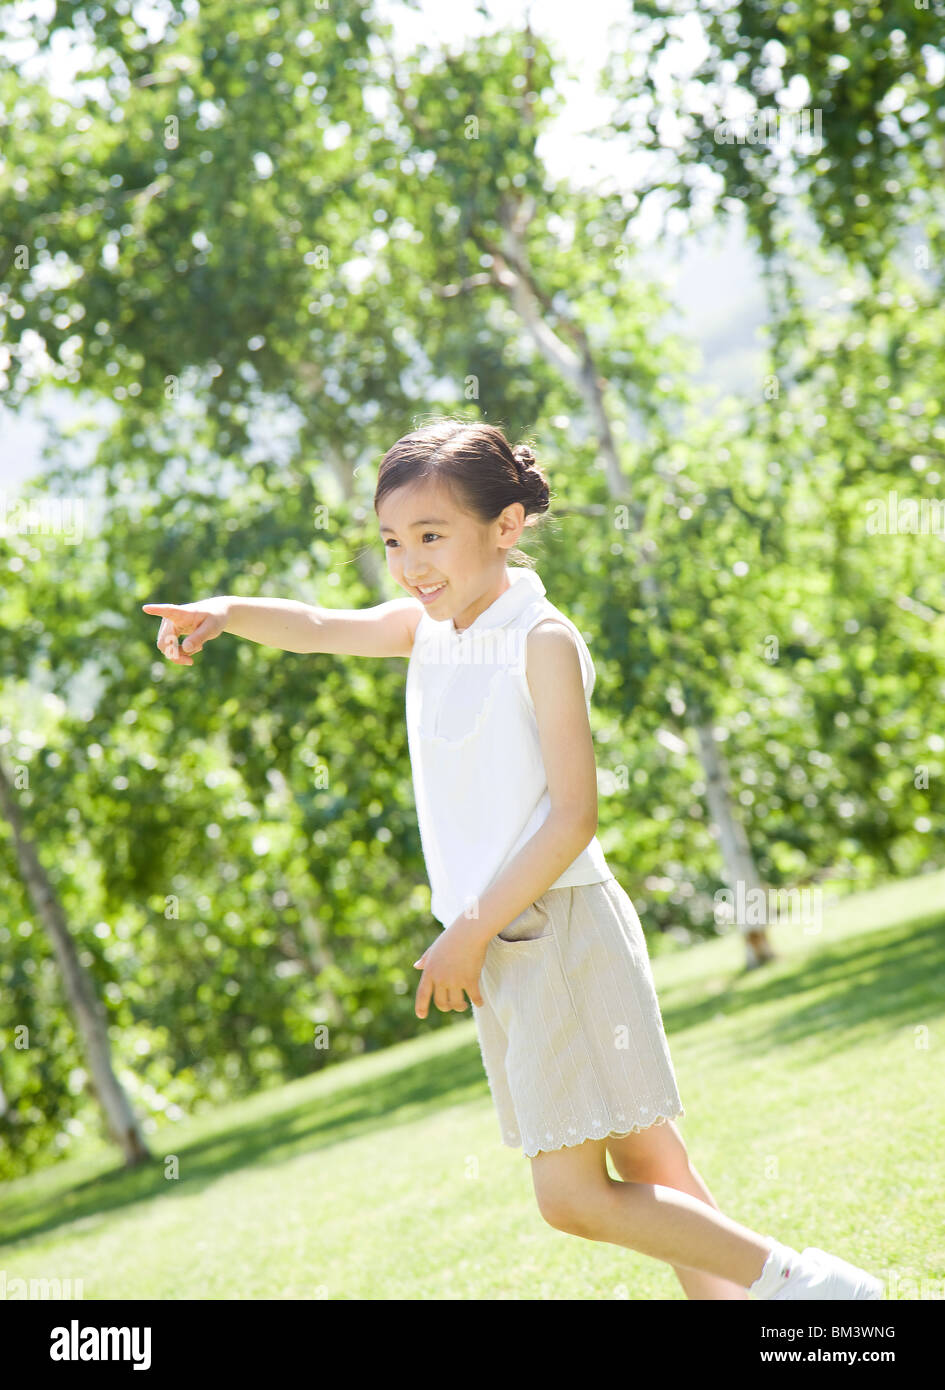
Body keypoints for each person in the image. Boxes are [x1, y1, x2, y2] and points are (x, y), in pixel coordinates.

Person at [142, 416, 882, 1301]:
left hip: (553, 931)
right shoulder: (432, 631)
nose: (411, 564)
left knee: (568, 1197)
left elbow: (572, 817)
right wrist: (224, 613)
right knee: (650, 1156)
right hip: (509, 941)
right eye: (392, 541)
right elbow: (314, 622)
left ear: (505, 526)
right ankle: (787, 1312)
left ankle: (804, 1285)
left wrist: (470, 929)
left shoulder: (541, 640)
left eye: (431, 536)